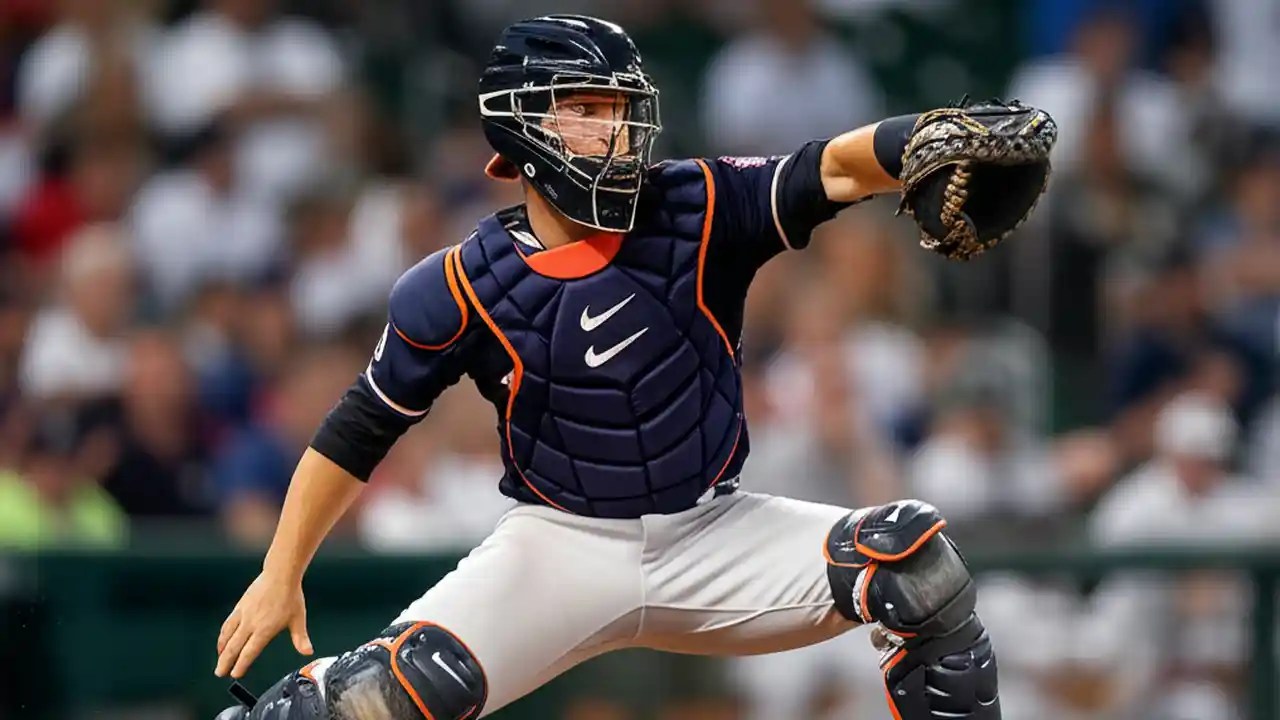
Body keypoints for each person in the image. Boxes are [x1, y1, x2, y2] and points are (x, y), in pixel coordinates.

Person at [213, 15, 1012, 720]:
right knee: (377, 697)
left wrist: (929, 141)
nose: (617, 130)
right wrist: (281, 572)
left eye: (622, 109)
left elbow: (831, 169)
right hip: (559, 545)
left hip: (713, 532)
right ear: (521, 129)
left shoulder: (693, 204)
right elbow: (358, 429)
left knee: (915, 564)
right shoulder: (456, 284)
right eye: (588, 111)